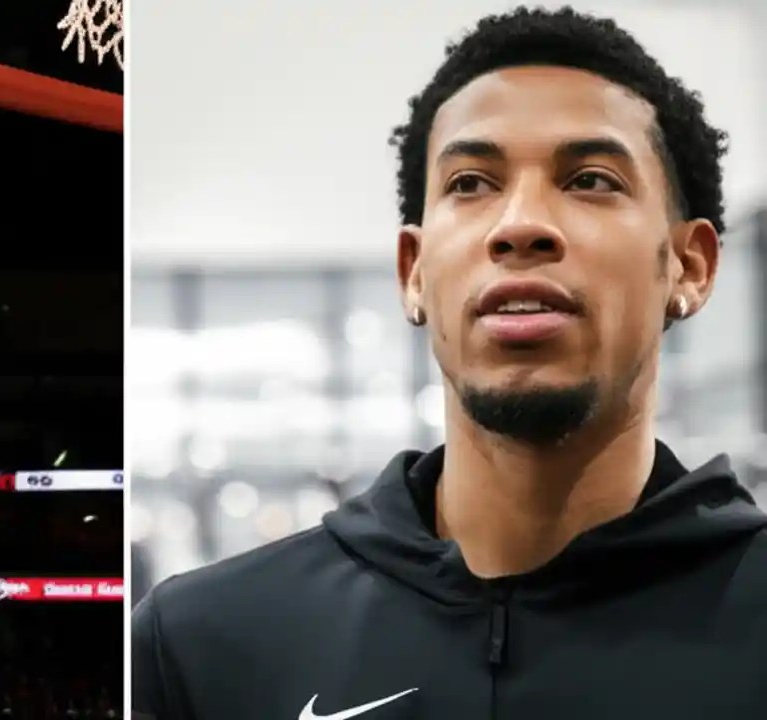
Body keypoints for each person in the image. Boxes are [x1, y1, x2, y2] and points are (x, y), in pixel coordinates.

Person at [131, 8, 767, 719]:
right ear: (413, 271)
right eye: (470, 183)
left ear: (690, 265)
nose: (520, 224)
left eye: (590, 179)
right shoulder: (199, 644)